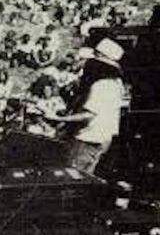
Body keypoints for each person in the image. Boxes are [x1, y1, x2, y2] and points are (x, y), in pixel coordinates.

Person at [43, 38, 124, 174]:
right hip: (100, 141)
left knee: (70, 176)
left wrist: (59, 119)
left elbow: (89, 115)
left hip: (86, 140)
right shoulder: (116, 85)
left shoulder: (101, 86)